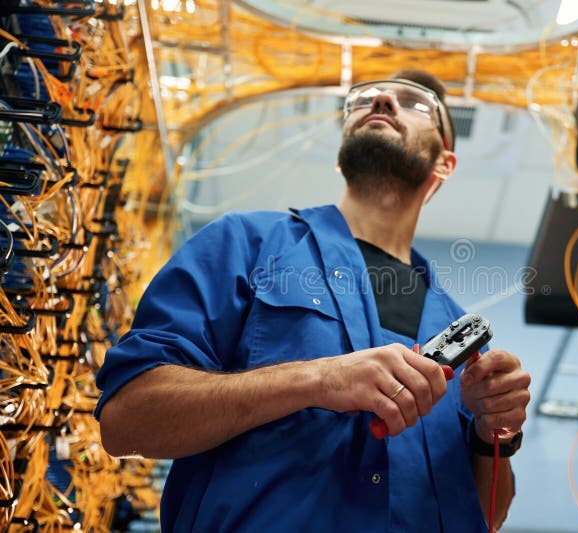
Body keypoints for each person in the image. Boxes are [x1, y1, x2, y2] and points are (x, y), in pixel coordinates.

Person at [96, 69, 532, 532]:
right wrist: (318, 378)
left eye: (415, 103)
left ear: (444, 162)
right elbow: (128, 420)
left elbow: (485, 515)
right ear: (342, 157)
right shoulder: (246, 244)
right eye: (362, 99)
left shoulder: (456, 334)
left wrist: (493, 435)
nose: (381, 99)